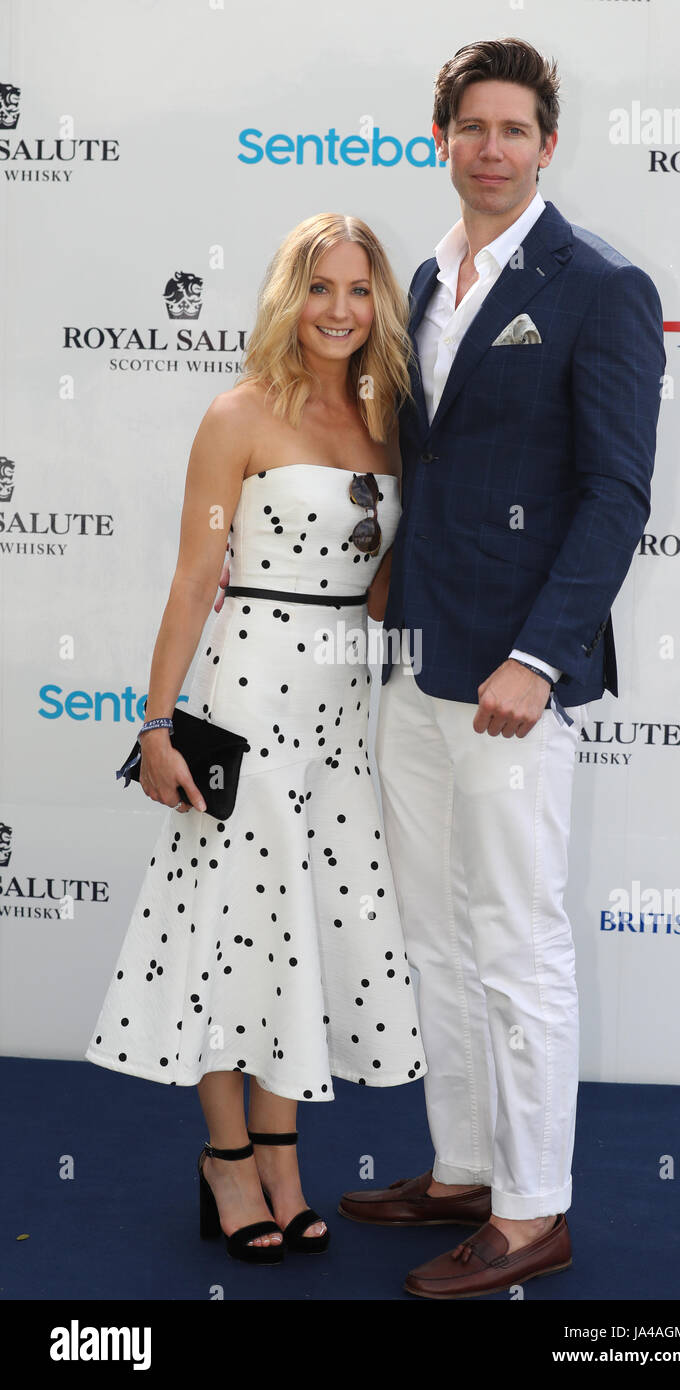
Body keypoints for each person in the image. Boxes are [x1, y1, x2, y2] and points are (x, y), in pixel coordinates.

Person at [337, 38, 666, 1298]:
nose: (489, 147)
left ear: (546, 144)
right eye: (468, 126)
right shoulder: (420, 275)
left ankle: (532, 1214)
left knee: (515, 939)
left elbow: (612, 493)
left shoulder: (597, 284)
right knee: (434, 933)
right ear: (441, 138)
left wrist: (538, 654)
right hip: (416, 661)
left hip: (510, 679)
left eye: (512, 128)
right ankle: (467, 1162)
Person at [85, 212, 428, 1264]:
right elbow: (194, 579)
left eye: (359, 291)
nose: (338, 310)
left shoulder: (391, 424)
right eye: (319, 288)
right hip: (245, 696)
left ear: (381, 307)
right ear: (288, 298)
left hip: (341, 707)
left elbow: (380, 582)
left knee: (302, 936)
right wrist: (154, 724)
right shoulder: (238, 414)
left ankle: (282, 1156)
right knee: (224, 930)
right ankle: (227, 1162)